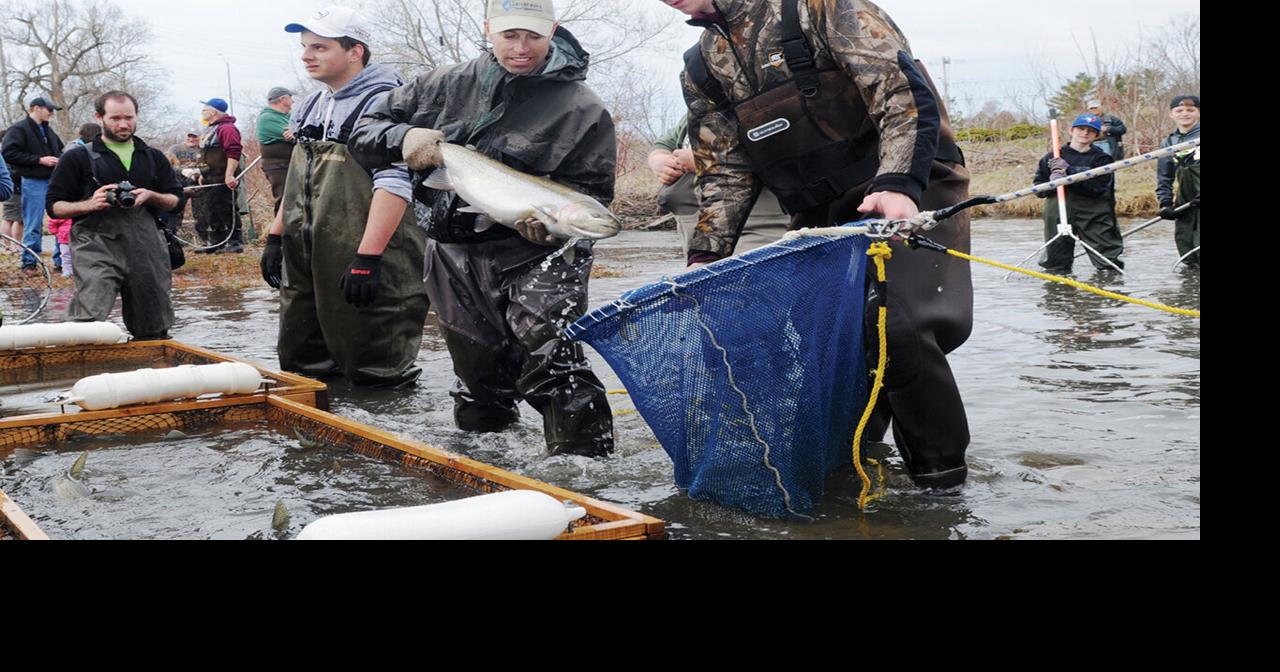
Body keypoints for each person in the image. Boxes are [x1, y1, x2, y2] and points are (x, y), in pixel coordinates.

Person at [659, 0, 973, 488]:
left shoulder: (819, 8)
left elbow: (900, 91)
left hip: (909, 185)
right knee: (832, 346)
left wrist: (897, 182)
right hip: (814, 213)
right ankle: (856, 470)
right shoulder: (701, 65)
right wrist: (706, 253)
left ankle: (944, 484)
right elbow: (723, 167)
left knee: (892, 325)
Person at [350, 0, 617, 456]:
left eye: (533, 35)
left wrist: (556, 232)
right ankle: (485, 459)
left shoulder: (582, 108)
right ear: (489, 30)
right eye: (510, 35)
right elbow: (364, 131)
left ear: (552, 31)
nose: (521, 47)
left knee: (551, 358)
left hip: (539, 252)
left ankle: (583, 471)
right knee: (476, 370)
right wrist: (405, 139)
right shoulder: (443, 85)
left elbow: (592, 194)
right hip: (452, 248)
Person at [258, 6, 428, 387]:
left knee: (376, 369)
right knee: (304, 365)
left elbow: (395, 182)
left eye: (319, 47)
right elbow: (297, 179)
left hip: (369, 252)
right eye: (304, 47)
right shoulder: (309, 105)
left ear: (356, 51)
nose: (306, 55)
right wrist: (275, 236)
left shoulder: (388, 104)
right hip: (309, 252)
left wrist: (368, 257)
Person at [45, 90, 184, 339]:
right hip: (95, 243)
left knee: (154, 323)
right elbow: (54, 207)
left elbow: (176, 201)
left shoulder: (153, 157)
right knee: (88, 315)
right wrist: (90, 203)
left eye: (129, 117)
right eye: (115, 118)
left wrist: (151, 196)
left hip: (146, 245)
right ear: (99, 117)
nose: (123, 124)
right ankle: (75, 367)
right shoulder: (77, 157)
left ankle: (151, 369)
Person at [648, 114, 789, 255]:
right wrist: (658, 159)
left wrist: (705, 160)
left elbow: (785, 149)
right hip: (696, 229)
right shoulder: (698, 108)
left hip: (754, 230)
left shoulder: (765, 104)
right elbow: (665, 143)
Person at [1034, 113, 1123, 272]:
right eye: (1081, 129)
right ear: (1071, 130)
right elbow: (1039, 190)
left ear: (1096, 135)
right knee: (1056, 264)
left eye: (1090, 130)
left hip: (1094, 213)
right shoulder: (1052, 157)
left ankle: (1111, 291)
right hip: (1059, 212)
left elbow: (1098, 189)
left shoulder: (1102, 159)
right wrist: (1053, 183)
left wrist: (1069, 171)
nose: (1085, 133)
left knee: (1108, 263)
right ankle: (1062, 294)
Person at [2, 97, 65, 274]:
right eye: (49, 109)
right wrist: (38, 160)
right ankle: (29, 263)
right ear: (36, 108)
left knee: (61, 221)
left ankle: (61, 261)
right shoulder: (19, 129)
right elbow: (8, 153)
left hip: (52, 180)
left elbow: (60, 150)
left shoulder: (48, 131)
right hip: (32, 181)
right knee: (33, 223)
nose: (51, 113)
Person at [195, 97, 244, 253]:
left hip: (222, 177)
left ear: (214, 111)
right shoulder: (210, 129)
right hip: (210, 177)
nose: (202, 111)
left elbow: (234, 152)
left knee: (226, 208)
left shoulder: (227, 128)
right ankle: (216, 242)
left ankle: (235, 242)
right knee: (211, 209)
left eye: (205, 108)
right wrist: (202, 174)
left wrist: (229, 174)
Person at [1156, 94, 1199, 267]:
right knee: (1187, 248)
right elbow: (1164, 176)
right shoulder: (1168, 142)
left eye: (1190, 110)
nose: (1184, 114)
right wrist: (1165, 203)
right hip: (1186, 201)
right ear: (1171, 114)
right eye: (1179, 110)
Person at [257, 86, 296, 215]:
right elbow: (293, 136)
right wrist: (296, 132)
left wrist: (296, 131)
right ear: (283, 99)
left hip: (291, 165)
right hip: (278, 167)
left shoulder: (287, 116)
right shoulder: (267, 117)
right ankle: (280, 233)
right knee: (285, 201)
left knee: (296, 201)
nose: (293, 101)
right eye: (291, 98)